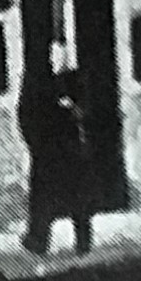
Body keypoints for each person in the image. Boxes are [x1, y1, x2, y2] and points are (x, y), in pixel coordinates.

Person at [18, 50, 95, 257]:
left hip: (53, 151)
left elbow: (27, 117)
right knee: (70, 196)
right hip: (59, 150)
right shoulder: (50, 90)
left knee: (48, 196)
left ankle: (41, 239)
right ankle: (71, 240)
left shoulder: (40, 88)